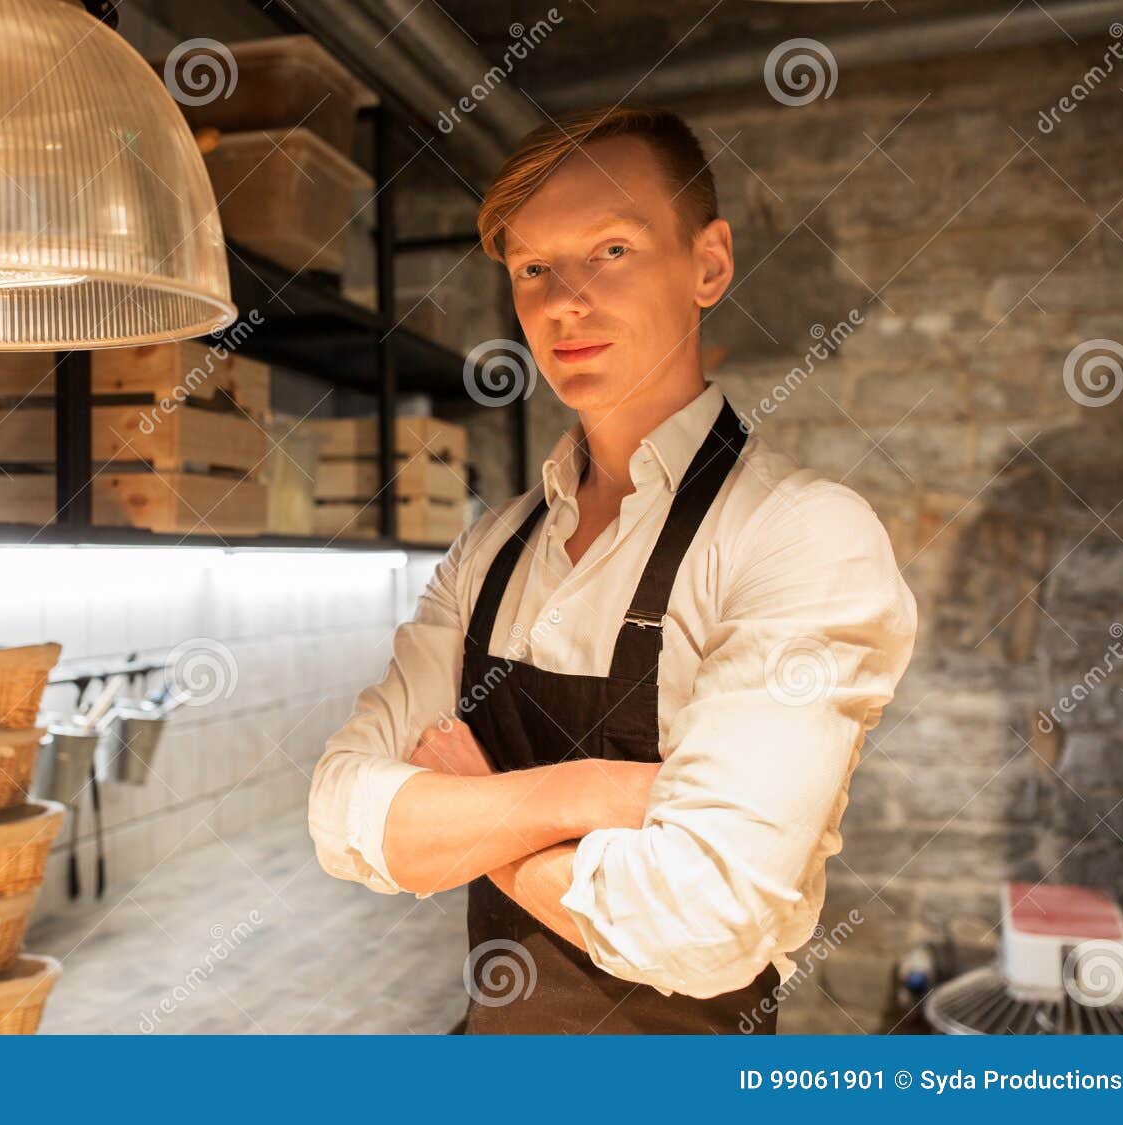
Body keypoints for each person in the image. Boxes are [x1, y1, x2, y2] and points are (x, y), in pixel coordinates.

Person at [306, 105, 919, 1034]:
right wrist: (587, 791)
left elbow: (705, 922)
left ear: (708, 264)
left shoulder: (802, 536)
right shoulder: (487, 552)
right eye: (532, 269)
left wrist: (476, 812)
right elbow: (340, 808)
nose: (564, 302)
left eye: (611, 251)